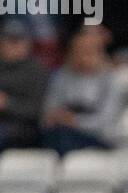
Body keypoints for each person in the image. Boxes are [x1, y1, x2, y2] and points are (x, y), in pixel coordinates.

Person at [40, 27, 121, 156]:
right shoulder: (62, 76)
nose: (83, 57)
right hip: (62, 133)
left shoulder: (109, 79)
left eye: (88, 52)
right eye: (78, 51)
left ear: (99, 53)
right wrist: (56, 116)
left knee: (62, 139)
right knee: (55, 137)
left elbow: (106, 120)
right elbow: (49, 109)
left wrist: (75, 121)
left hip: (97, 138)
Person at [0, 20, 49, 153]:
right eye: (8, 41)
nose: (12, 46)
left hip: (24, 129)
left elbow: (38, 111)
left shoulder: (37, 71)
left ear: (28, 44)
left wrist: (7, 103)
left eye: (17, 41)